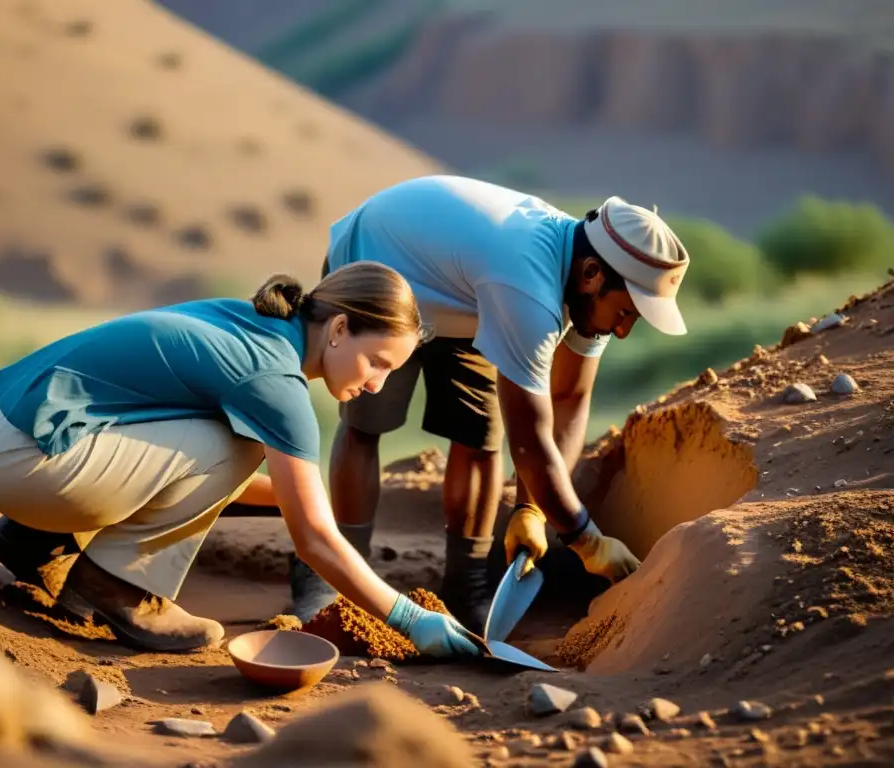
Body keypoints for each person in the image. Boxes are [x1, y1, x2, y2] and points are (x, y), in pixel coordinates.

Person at [0, 261, 481, 659]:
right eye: (378, 363)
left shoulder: (251, 322)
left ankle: (32, 538)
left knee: (230, 444)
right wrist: (411, 619)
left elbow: (199, 470)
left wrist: (297, 502)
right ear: (340, 329)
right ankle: (118, 583)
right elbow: (315, 540)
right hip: (23, 462)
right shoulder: (276, 383)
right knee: (241, 444)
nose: (376, 384)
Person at [290, 175, 692, 632]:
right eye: (624, 313)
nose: (622, 331)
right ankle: (333, 571)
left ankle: (466, 588)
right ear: (591, 275)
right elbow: (532, 441)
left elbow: (569, 398)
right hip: (380, 261)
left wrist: (532, 510)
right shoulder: (527, 287)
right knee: (366, 422)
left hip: (463, 295)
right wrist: (587, 541)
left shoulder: (584, 281)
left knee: (481, 437)